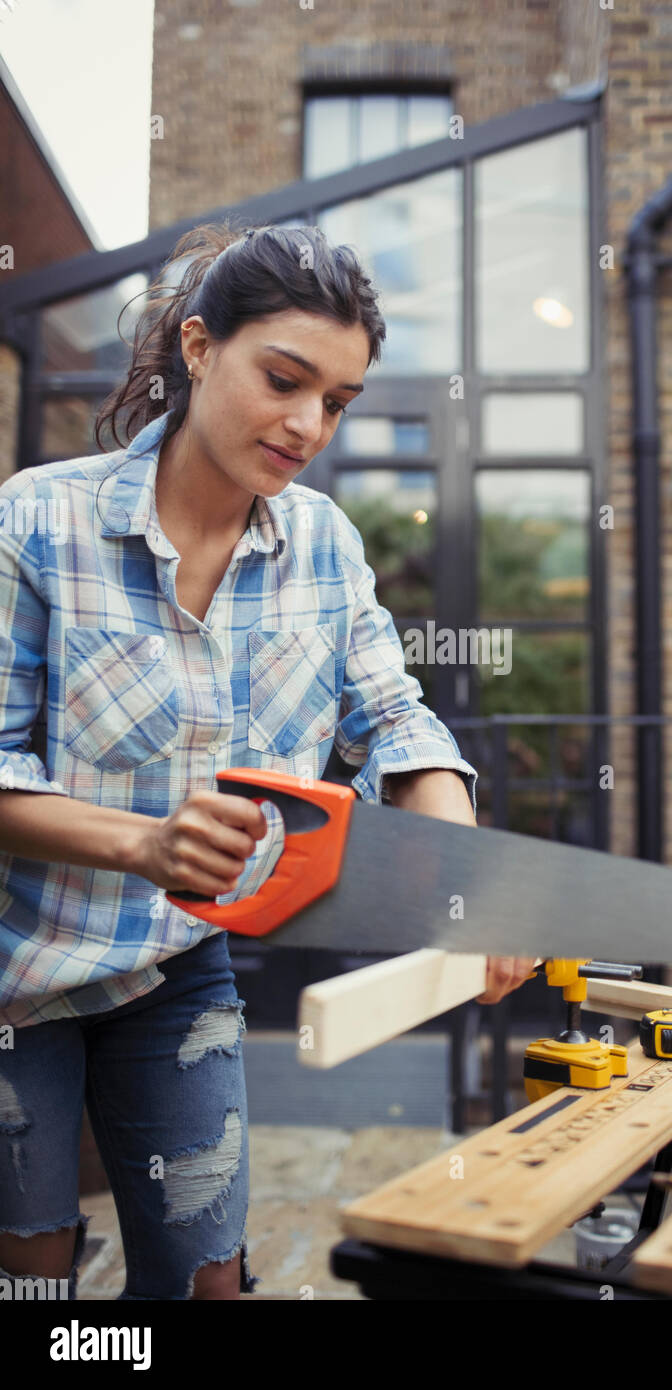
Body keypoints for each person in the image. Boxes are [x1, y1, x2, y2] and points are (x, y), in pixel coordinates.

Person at [0, 221, 536, 1300]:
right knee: (34, 1274)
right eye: (284, 379)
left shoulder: (324, 544)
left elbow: (393, 721)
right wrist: (145, 841)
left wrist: (471, 879)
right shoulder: (37, 520)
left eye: (334, 402)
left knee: (208, 1280)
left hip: (177, 966)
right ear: (198, 348)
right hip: (19, 968)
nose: (306, 426)